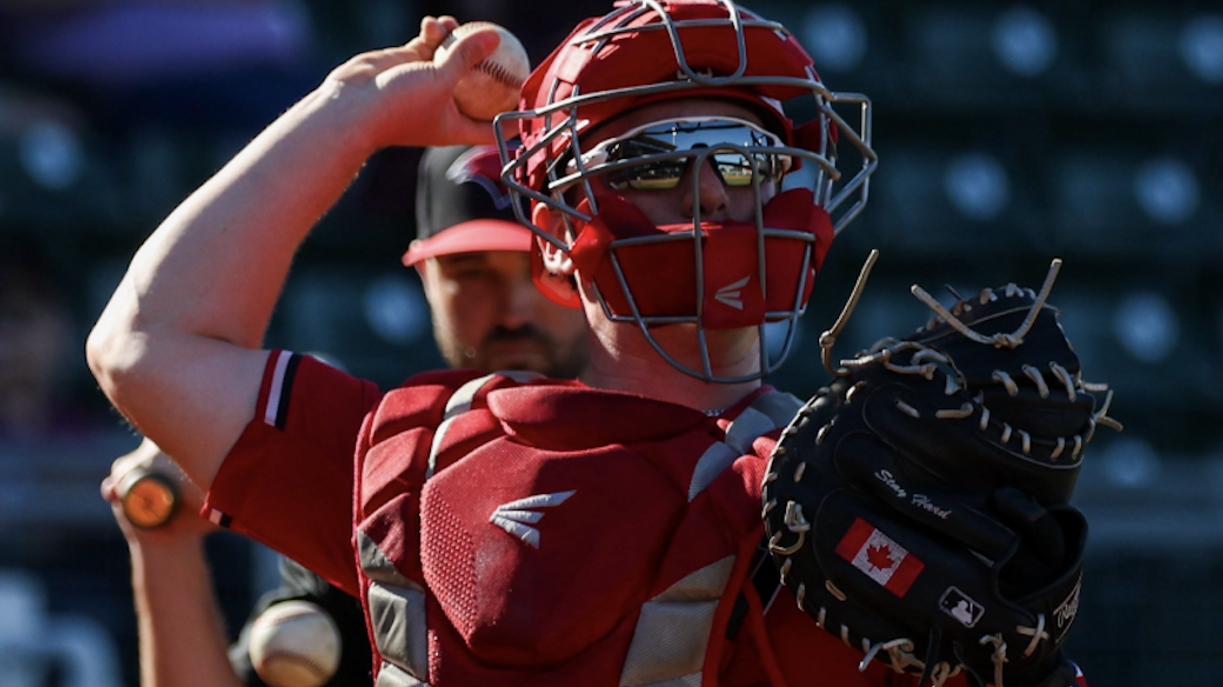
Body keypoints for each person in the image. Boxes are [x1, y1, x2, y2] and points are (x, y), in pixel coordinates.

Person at [86, 4, 1087, 686]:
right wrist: (360, 113)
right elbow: (144, 344)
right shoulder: (418, 446)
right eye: (652, 159)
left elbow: (156, 342)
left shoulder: (860, 490)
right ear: (557, 228)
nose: (705, 190)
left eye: (740, 158)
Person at [100, 142, 590, 687]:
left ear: (594, 266)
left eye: (540, 266)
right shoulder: (382, 476)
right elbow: (143, 351)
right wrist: (165, 544)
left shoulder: (684, 445)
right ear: (424, 279)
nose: (512, 309)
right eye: (470, 272)